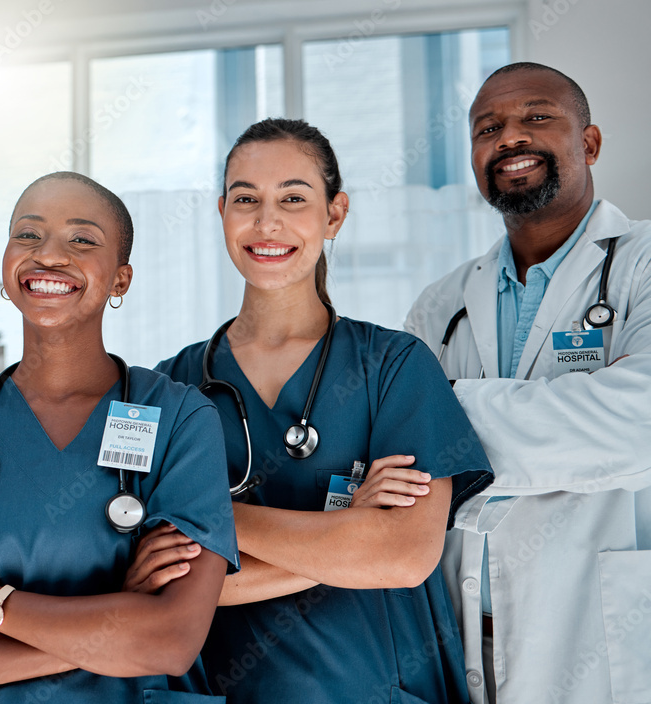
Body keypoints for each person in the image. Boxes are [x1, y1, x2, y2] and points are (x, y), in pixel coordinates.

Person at [124, 118, 494, 703]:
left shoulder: (395, 366)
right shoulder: (164, 390)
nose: (266, 222)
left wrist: (208, 519)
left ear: (335, 214)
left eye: (293, 198)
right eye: (246, 199)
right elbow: (147, 583)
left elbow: (404, 554)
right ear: (222, 212)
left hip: (375, 686)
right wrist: (354, 535)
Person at [0, 171, 238, 703]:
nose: (50, 255)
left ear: (121, 280)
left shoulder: (178, 417)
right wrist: (109, 623)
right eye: (28, 235)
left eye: (81, 240)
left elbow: (169, 641)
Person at [405, 62, 651, 704]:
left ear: (589, 143)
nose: (510, 137)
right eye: (488, 128)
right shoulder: (442, 303)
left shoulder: (643, 265)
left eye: (536, 116)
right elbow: (401, 465)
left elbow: (639, 424)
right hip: (466, 629)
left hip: (604, 632)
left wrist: (443, 414)